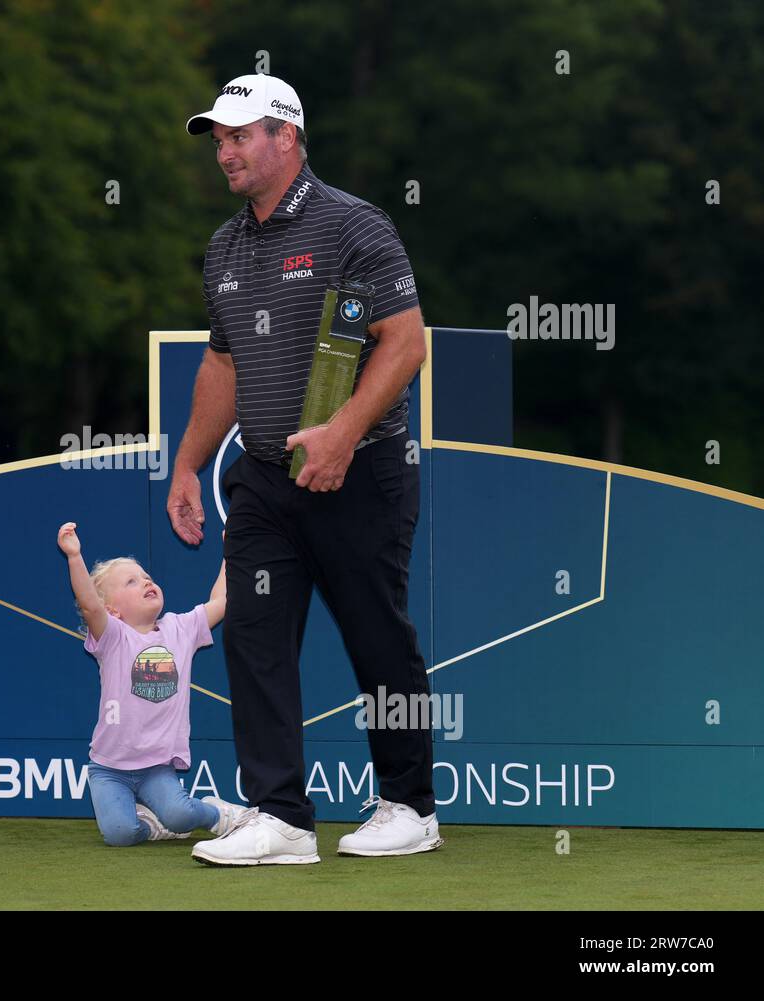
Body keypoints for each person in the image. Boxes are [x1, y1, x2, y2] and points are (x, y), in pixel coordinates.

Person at [168, 75, 442, 865]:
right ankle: (281, 817)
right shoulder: (223, 245)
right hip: (262, 475)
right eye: (218, 139)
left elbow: (405, 342)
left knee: (375, 637)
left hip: (362, 470)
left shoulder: (355, 224)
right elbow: (223, 363)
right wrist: (187, 462)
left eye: (239, 135)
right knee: (254, 636)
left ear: (286, 136)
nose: (225, 151)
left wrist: (342, 434)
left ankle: (410, 805)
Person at [56, 521, 248, 847]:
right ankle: (151, 827)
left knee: (182, 816)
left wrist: (231, 552)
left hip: (156, 767)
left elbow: (223, 601)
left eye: (146, 576)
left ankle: (218, 815)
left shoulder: (180, 629)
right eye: (131, 581)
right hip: (109, 768)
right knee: (119, 835)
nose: (145, 581)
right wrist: (74, 556)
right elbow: (89, 604)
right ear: (111, 610)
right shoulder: (113, 637)